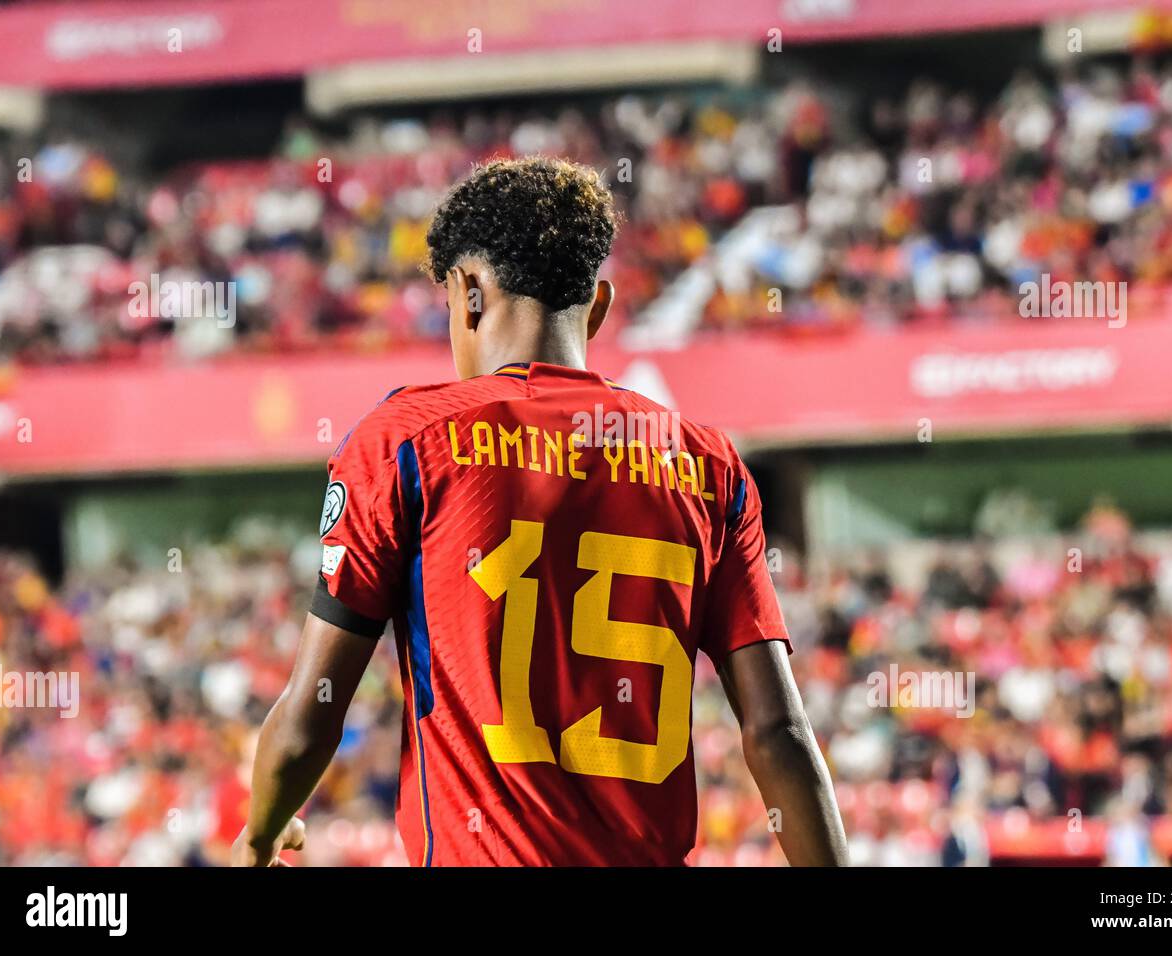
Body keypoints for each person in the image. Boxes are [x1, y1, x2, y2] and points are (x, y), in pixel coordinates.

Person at [232, 157, 847, 866]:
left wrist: (261, 832)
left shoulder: (408, 440)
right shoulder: (706, 464)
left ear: (467, 293)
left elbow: (316, 709)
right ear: (600, 305)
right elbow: (778, 734)